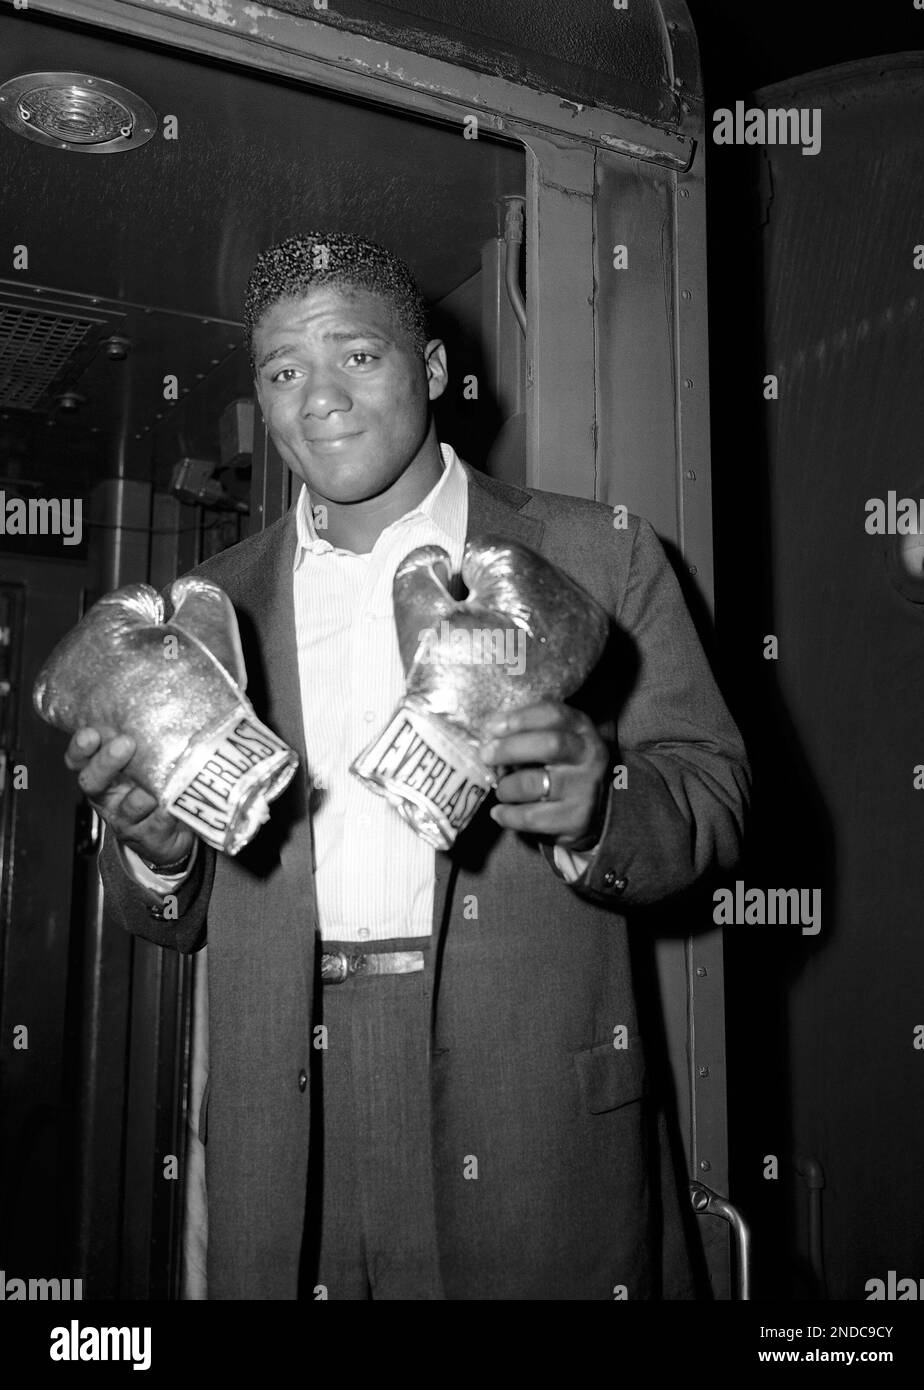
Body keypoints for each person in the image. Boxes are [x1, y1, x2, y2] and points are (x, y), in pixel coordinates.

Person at [65, 232, 749, 1300]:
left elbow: (714, 796)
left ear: (431, 370)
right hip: (278, 1108)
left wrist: (597, 803)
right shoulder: (208, 601)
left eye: (358, 356)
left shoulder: (602, 553)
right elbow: (172, 916)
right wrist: (157, 854)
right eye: (284, 371)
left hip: (527, 1104)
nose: (320, 399)